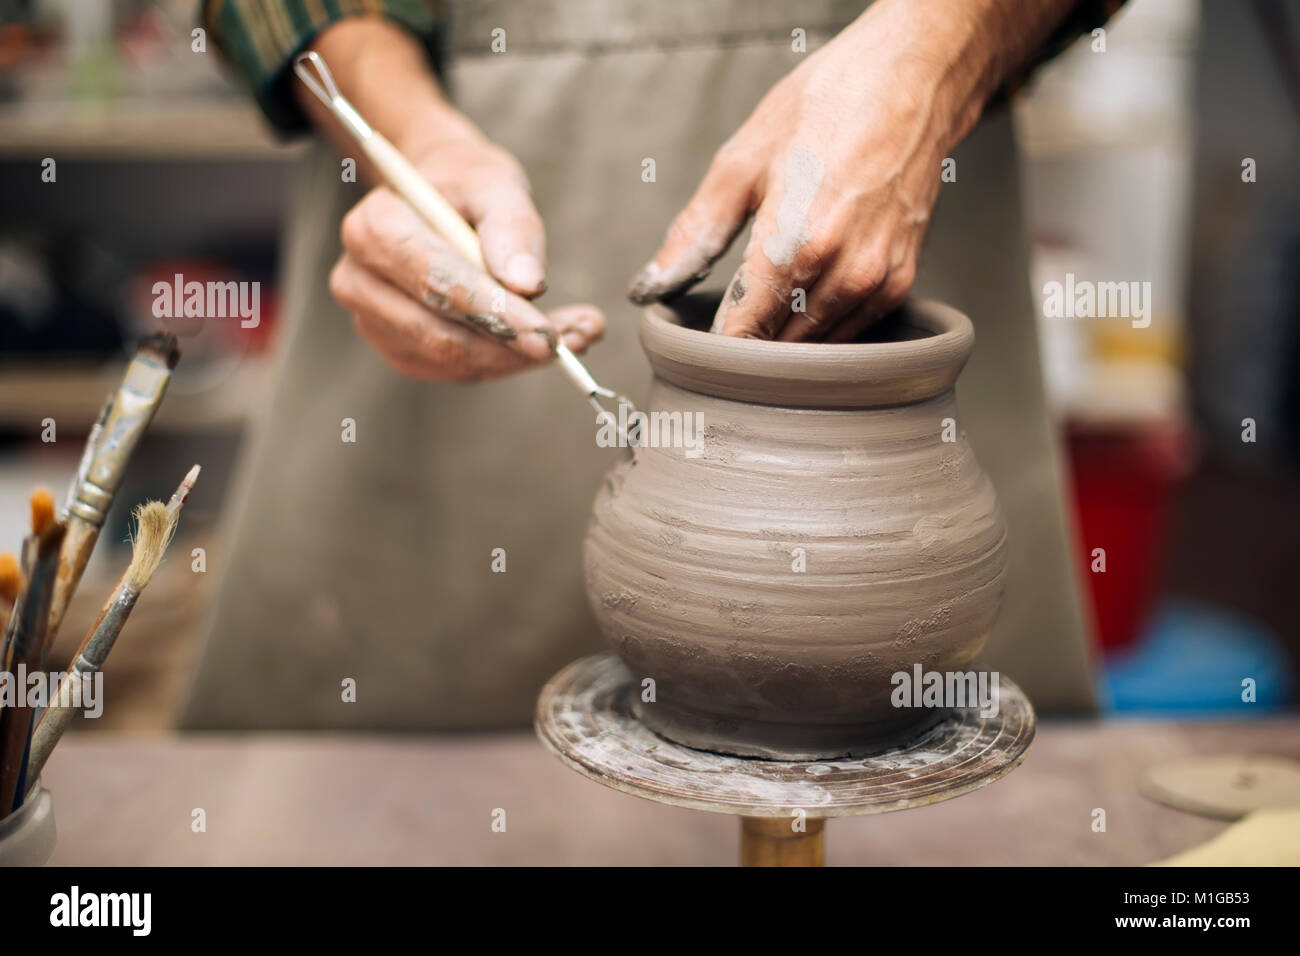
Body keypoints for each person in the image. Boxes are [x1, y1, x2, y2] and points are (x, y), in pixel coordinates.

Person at [182, 0, 1117, 730]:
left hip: (908, 240)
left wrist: (931, 60)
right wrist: (413, 139)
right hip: (438, 397)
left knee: (938, 760)